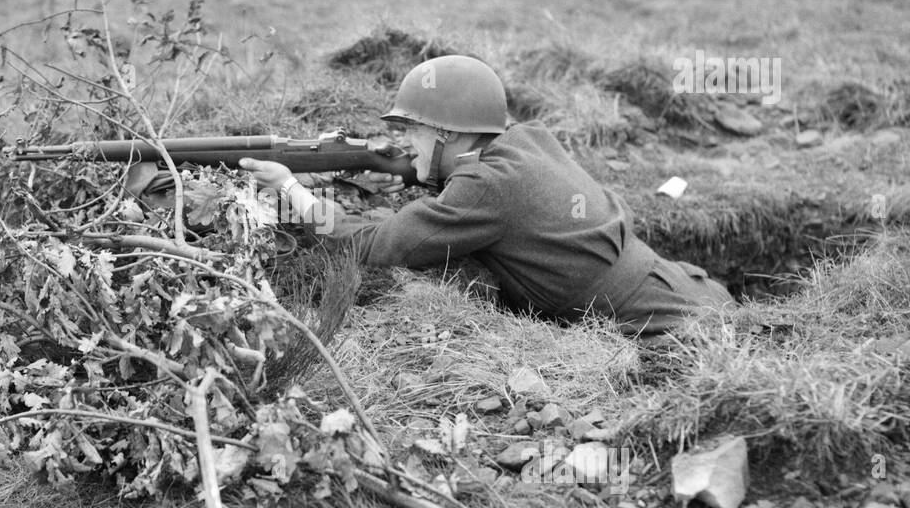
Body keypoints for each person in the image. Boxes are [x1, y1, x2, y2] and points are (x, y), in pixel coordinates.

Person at [238, 54, 734, 340]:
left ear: (450, 133)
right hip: (687, 287)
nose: (406, 142)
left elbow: (372, 245)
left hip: (663, 328)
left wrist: (291, 191)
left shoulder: (487, 188)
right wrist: (418, 177)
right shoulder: (527, 138)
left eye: (414, 131)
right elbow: (482, 180)